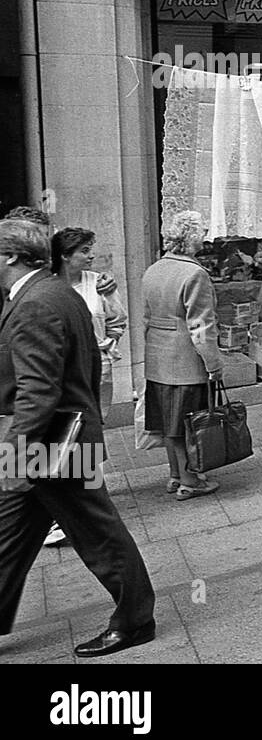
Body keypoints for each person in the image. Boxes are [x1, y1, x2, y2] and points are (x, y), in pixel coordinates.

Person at [0, 219, 156, 657]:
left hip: (55, 444)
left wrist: (14, 452)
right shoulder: (54, 291)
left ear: (11, 256)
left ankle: (135, 619)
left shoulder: (36, 301)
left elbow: (39, 389)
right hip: (61, 437)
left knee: (98, 533)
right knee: (7, 535)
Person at [141, 211, 223, 499]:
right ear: (191, 237)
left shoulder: (154, 269)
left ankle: (175, 475)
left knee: (169, 423)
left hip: (158, 357)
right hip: (185, 359)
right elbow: (201, 326)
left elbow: (146, 318)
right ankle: (191, 480)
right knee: (188, 423)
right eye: (201, 232)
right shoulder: (194, 273)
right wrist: (213, 363)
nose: (205, 238)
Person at [51, 228, 126, 414]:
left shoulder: (99, 283)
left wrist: (108, 345)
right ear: (65, 255)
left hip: (97, 365)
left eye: (91, 250)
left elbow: (117, 320)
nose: (91, 256)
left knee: (96, 421)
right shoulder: (48, 287)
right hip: (62, 367)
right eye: (84, 251)